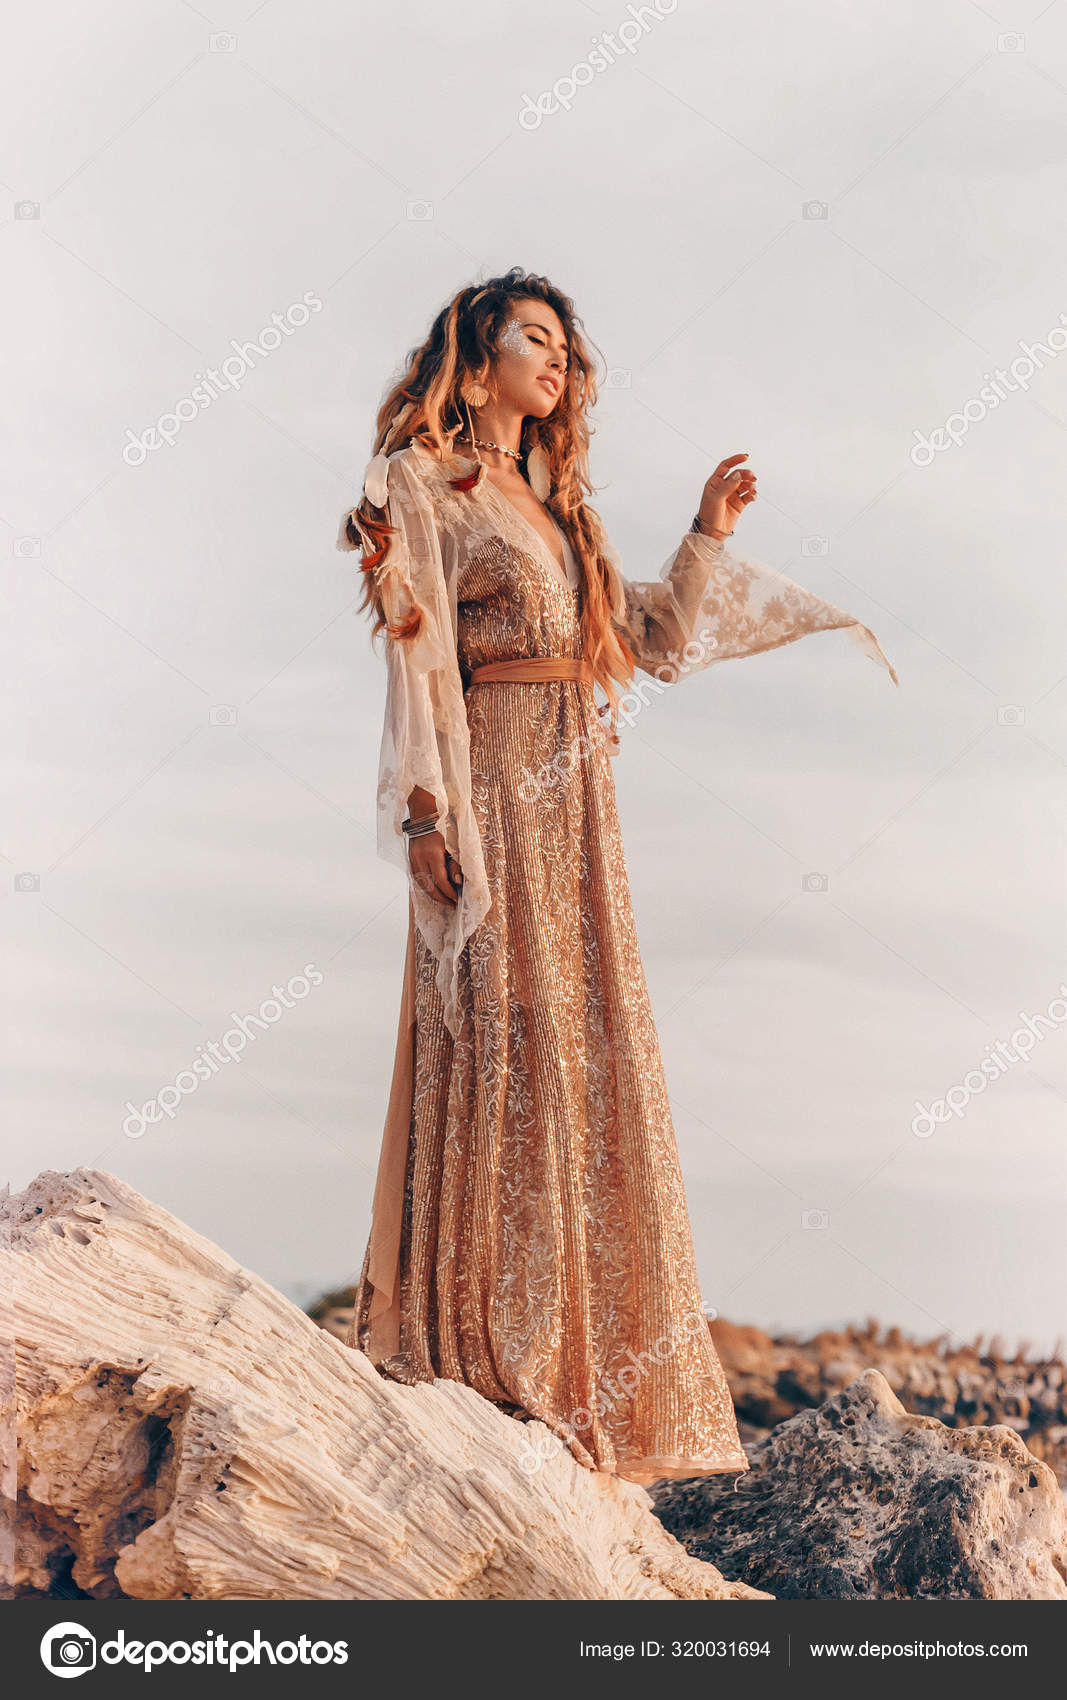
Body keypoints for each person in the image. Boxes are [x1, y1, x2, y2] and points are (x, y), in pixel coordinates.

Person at [338, 267, 897, 1482]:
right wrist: (428, 810)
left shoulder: (557, 508)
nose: (555, 358)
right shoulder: (421, 483)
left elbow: (648, 638)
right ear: (474, 358)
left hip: (578, 805)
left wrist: (707, 533)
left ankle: (575, 1374)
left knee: (580, 1054)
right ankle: (482, 1352)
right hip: (491, 786)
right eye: (530, 337)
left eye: (563, 345)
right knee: (499, 1034)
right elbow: (417, 655)